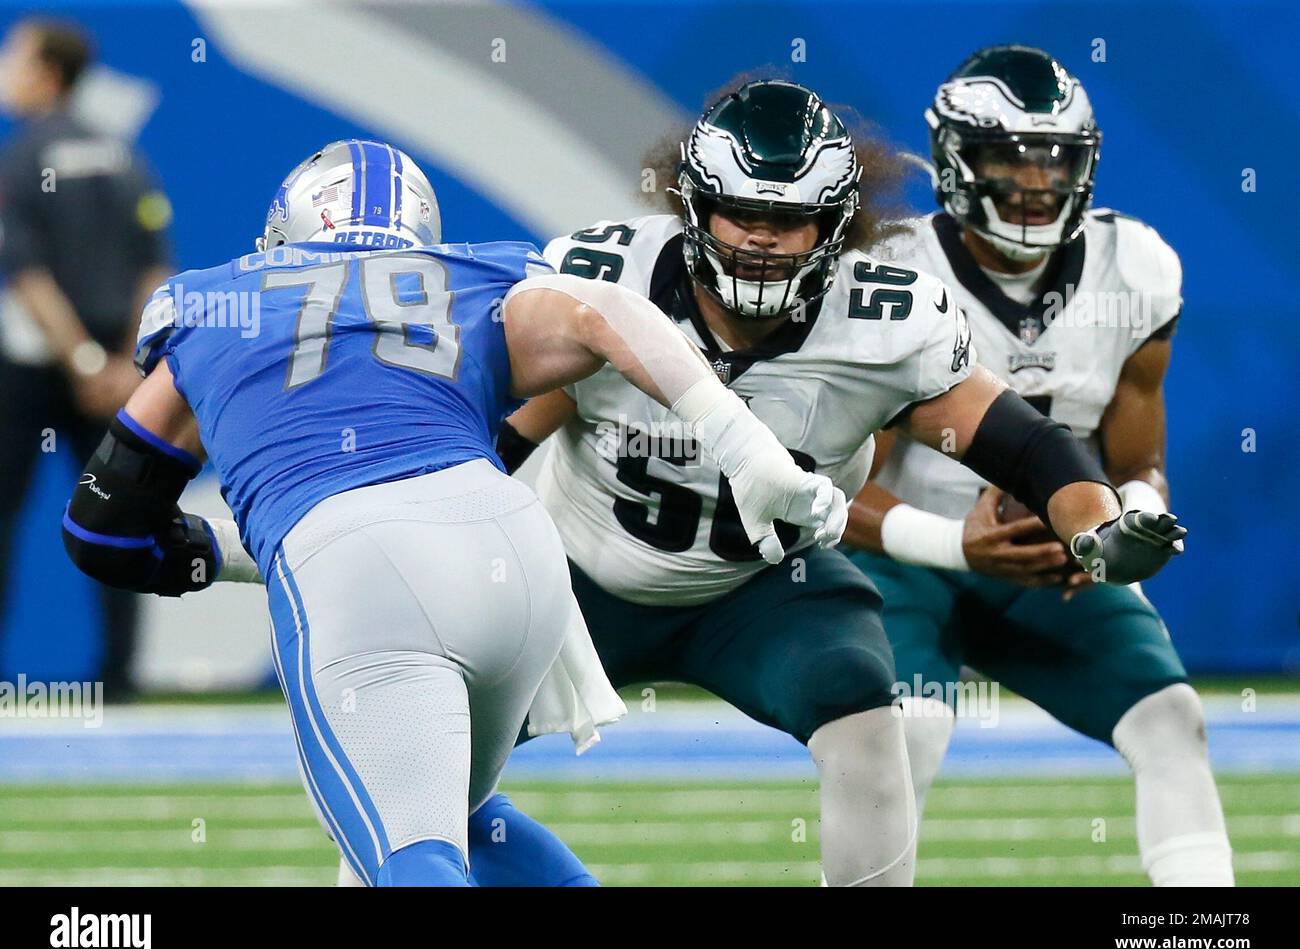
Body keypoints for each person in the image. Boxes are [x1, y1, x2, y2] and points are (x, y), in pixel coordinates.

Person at [60, 138, 845, 886]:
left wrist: (210, 552)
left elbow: (101, 529)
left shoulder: (217, 306)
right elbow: (611, 312)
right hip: (514, 551)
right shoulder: (474, 279)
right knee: (460, 819)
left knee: (410, 853)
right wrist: (746, 449)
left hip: (354, 569)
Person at [496, 80, 1187, 886]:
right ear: (692, 206)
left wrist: (1097, 530)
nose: (760, 240)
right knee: (435, 725)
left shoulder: (880, 321)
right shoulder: (606, 280)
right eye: (740, 212)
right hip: (580, 573)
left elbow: (1027, 449)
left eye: (788, 220)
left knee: (861, 697)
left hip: (761, 585)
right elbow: (505, 431)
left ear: (835, 225)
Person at [841, 46, 1233, 885]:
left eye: (1053, 158)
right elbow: (831, 493)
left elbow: (1142, 461)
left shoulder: (1138, 270)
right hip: (911, 559)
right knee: (908, 732)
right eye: (1006, 157)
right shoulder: (892, 274)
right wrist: (954, 547)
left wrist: (1123, 524)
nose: (1033, 181)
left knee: (1172, 719)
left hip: (1064, 558)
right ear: (954, 161)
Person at [0, 18, 172, 697]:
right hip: (114, 374)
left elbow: (27, 276)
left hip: (33, 371)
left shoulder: (19, 158)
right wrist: (123, 364)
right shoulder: (126, 157)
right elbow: (154, 269)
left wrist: (77, 359)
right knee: (119, 515)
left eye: (13, 57)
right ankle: (122, 679)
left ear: (46, 72)